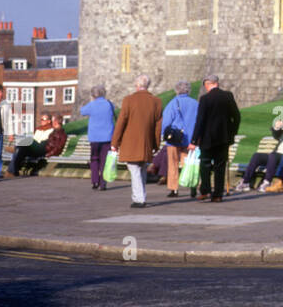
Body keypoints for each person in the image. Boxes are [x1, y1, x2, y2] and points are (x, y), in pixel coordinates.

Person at [111, 76, 162, 208]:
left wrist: (115, 142)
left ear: (136, 85)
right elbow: (158, 126)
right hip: (147, 142)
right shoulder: (156, 101)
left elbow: (121, 122)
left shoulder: (128, 100)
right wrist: (156, 144)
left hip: (130, 142)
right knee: (142, 170)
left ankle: (139, 198)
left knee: (134, 170)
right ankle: (140, 196)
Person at [190, 73, 240, 203]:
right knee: (220, 166)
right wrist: (231, 133)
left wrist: (194, 140)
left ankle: (206, 190)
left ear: (208, 84)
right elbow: (236, 117)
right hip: (224, 138)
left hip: (208, 138)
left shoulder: (205, 99)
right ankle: (218, 194)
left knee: (205, 164)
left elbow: (200, 121)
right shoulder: (228, 96)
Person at [236, 110, 283, 192]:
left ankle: (267, 182)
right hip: (277, 153)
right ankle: (245, 182)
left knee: (273, 155)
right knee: (257, 156)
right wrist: (276, 128)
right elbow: (276, 136)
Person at [160, 80, 199, 199]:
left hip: (174, 138)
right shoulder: (195, 103)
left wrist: (163, 134)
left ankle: (174, 189)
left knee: (173, 164)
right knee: (190, 164)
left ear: (176, 90)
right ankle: (193, 186)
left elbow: (166, 121)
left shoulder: (173, 103)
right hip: (190, 139)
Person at [79, 85, 117, 190]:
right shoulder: (109, 104)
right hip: (107, 136)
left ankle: (95, 181)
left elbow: (82, 111)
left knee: (94, 159)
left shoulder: (92, 105)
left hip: (95, 137)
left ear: (93, 95)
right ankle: (103, 183)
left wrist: (90, 101)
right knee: (104, 160)